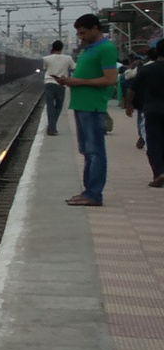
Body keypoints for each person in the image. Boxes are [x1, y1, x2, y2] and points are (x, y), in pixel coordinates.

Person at [54, 13, 118, 207]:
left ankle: (94, 194)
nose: (80, 36)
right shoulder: (88, 49)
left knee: (95, 151)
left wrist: (78, 81)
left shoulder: (106, 49)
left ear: (95, 28)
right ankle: (88, 191)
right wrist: (69, 81)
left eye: (83, 33)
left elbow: (110, 79)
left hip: (93, 106)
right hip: (81, 105)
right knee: (87, 151)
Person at [124, 43, 164, 187]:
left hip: (152, 110)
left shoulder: (147, 70)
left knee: (153, 142)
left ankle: (159, 172)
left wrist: (128, 106)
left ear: (156, 51)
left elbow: (131, 90)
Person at [41, 40, 74, 136]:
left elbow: (45, 68)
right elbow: (73, 67)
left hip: (49, 83)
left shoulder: (46, 58)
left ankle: (52, 128)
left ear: (52, 48)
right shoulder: (68, 58)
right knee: (59, 106)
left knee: (50, 106)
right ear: (62, 48)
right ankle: (52, 128)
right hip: (61, 84)